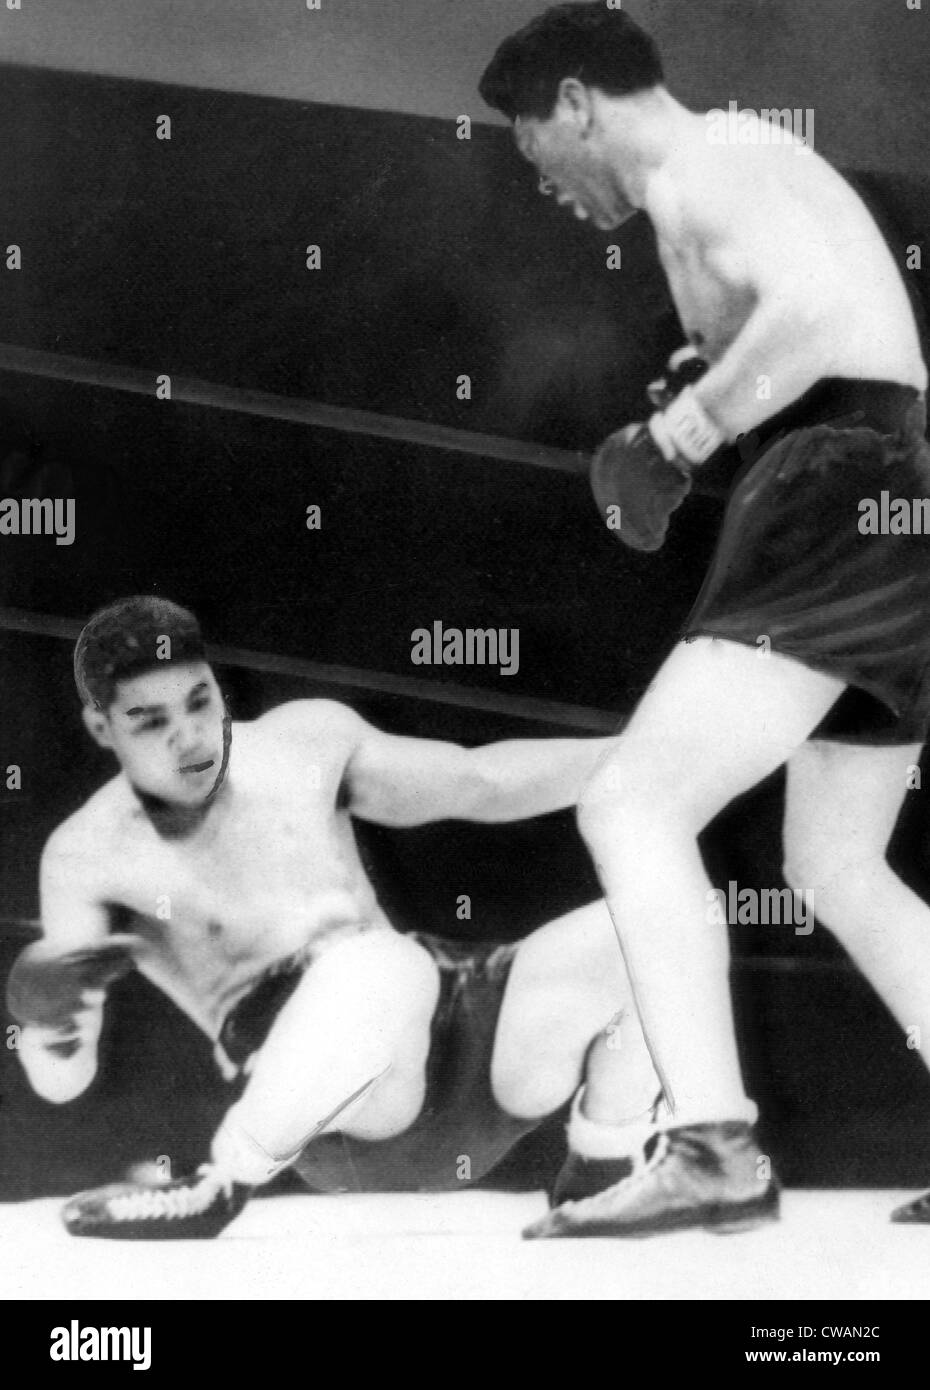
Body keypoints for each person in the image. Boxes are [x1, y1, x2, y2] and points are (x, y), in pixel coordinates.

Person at [480, 2, 930, 1238]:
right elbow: (821, 327)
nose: (550, 188)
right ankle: (711, 1141)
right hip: (894, 494)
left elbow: (819, 318)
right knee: (833, 861)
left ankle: (714, 1144)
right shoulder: (744, 164)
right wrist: (711, 389)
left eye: (536, 149)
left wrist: (687, 431)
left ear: (575, 102)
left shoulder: (705, 162)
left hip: (835, 491)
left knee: (629, 803)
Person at [6, 594, 663, 1239]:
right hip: (344, 1108)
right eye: (150, 721)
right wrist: (47, 1023)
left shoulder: (305, 741)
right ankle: (220, 1181)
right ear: (102, 728)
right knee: (380, 967)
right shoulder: (87, 854)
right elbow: (64, 1081)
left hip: (476, 1055)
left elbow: (480, 781)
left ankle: (604, 1163)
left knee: (655, 918)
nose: (189, 737)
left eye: (199, 701)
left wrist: (657, 751)